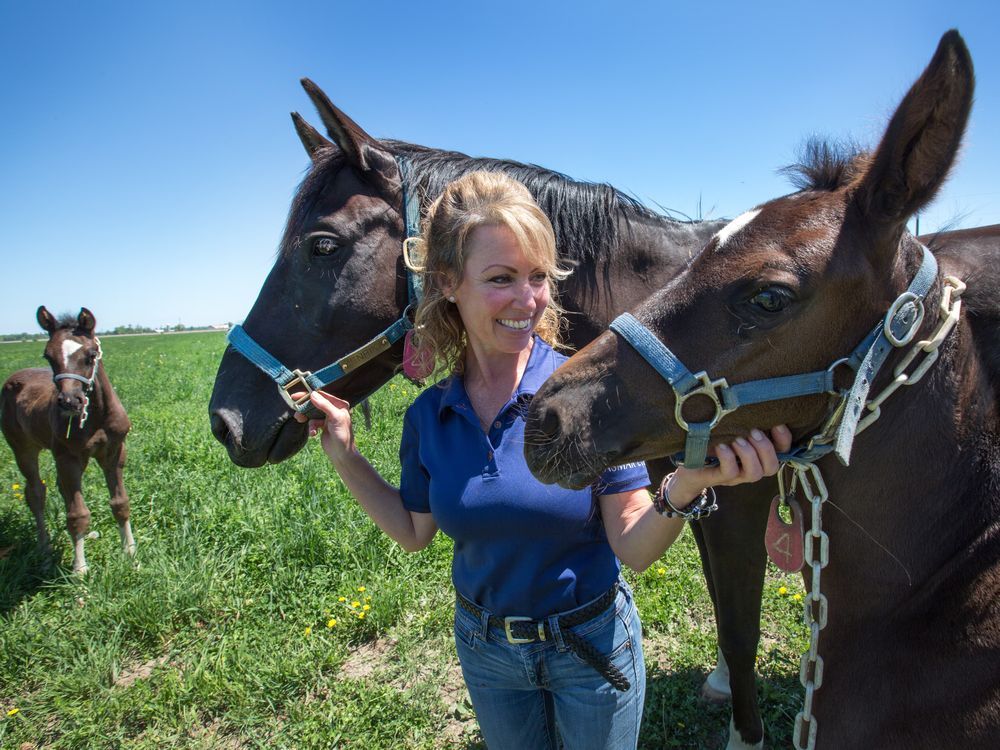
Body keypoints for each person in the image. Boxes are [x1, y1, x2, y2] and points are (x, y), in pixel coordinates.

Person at [297, 171, 790, 749]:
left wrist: (686, 485)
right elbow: (412, 531)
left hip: (591, 650)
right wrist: (344, 452)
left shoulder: (584, 396)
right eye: (501, 278)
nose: (527, 301)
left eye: (537, 278)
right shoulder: (432, 415)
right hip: (488, 654)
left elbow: (633, 547)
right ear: (449, 283)